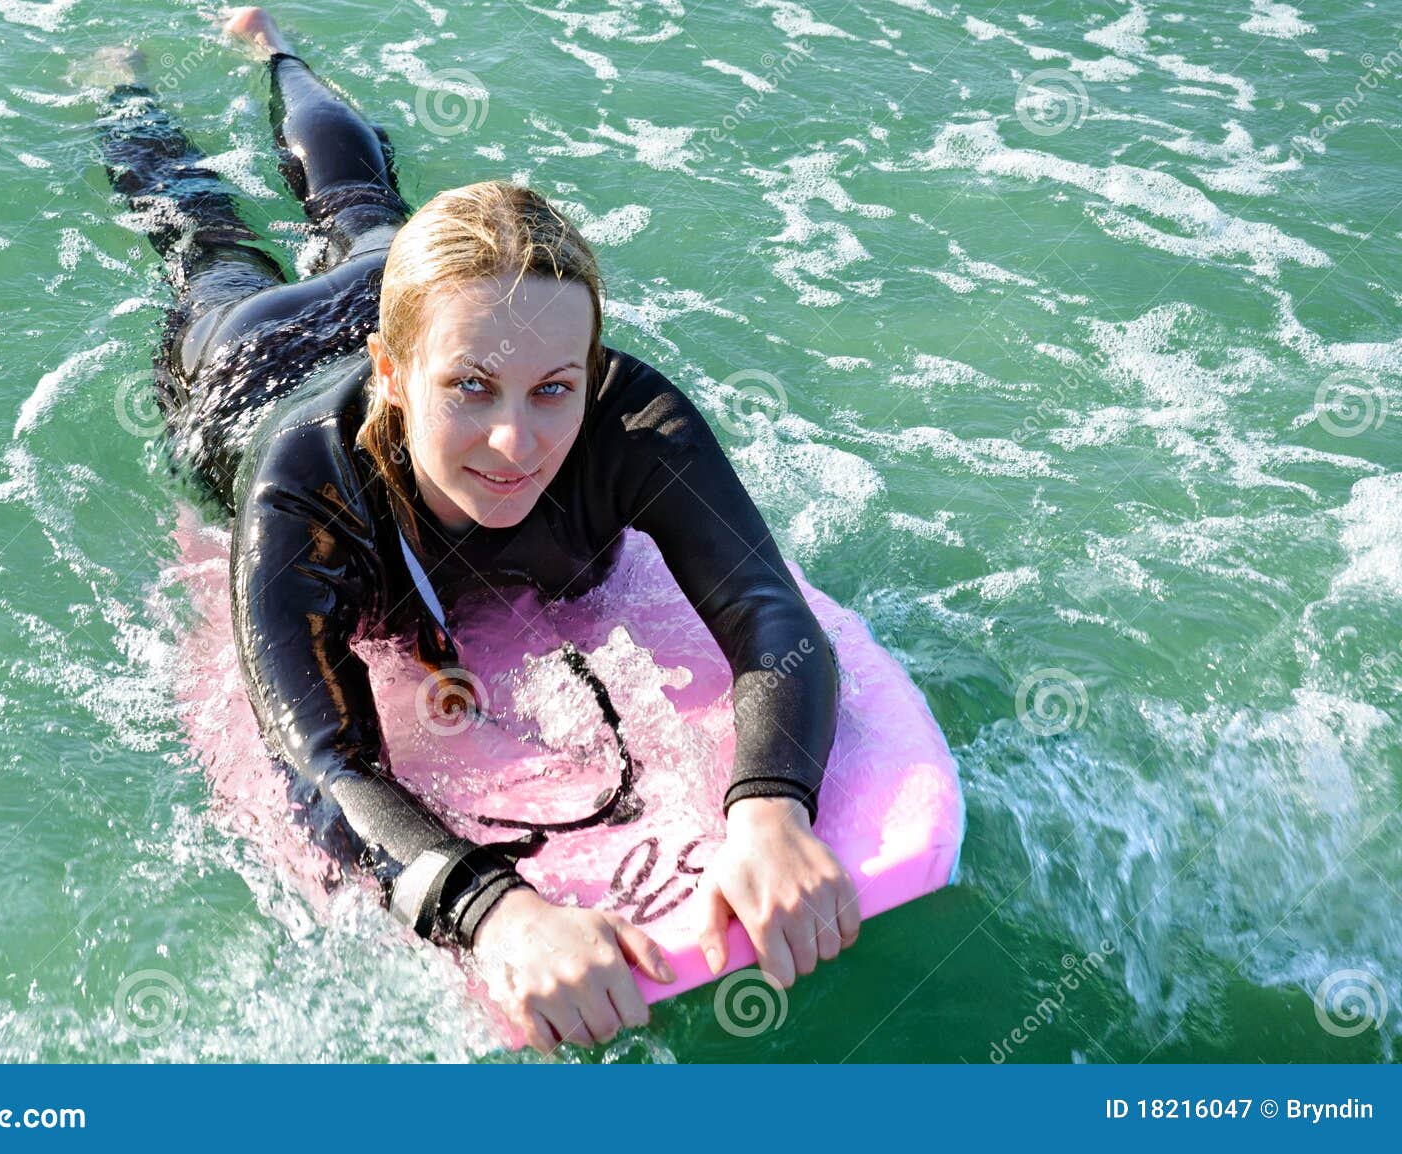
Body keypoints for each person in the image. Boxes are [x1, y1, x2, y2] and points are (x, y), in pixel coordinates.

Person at [95, 7, 861, 1054]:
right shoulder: (304, 487)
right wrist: (492, 907)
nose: (514, 439)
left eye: (553, 388)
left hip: (419, 292)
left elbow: (772, 617)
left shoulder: (630, 418)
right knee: (208, 242)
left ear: (592, 373)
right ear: (396, 375)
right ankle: (121, 86)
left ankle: (272, 50)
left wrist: (770, 806)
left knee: (362, 203)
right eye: (470, 391)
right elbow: (326, 761)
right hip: (251, 359)